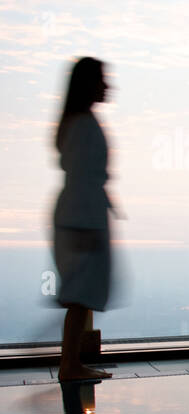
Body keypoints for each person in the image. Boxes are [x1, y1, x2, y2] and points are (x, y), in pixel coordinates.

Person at [53, 57, 115, 381]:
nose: (107, 86)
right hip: (80, 217)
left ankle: (71, 363)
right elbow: (81, 177)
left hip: (81, 214)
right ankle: (69, 365)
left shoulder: (80, 121)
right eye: (101, 80)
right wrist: (85, 227)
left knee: (80, 295)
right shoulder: (81, 124)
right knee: (79, 296)